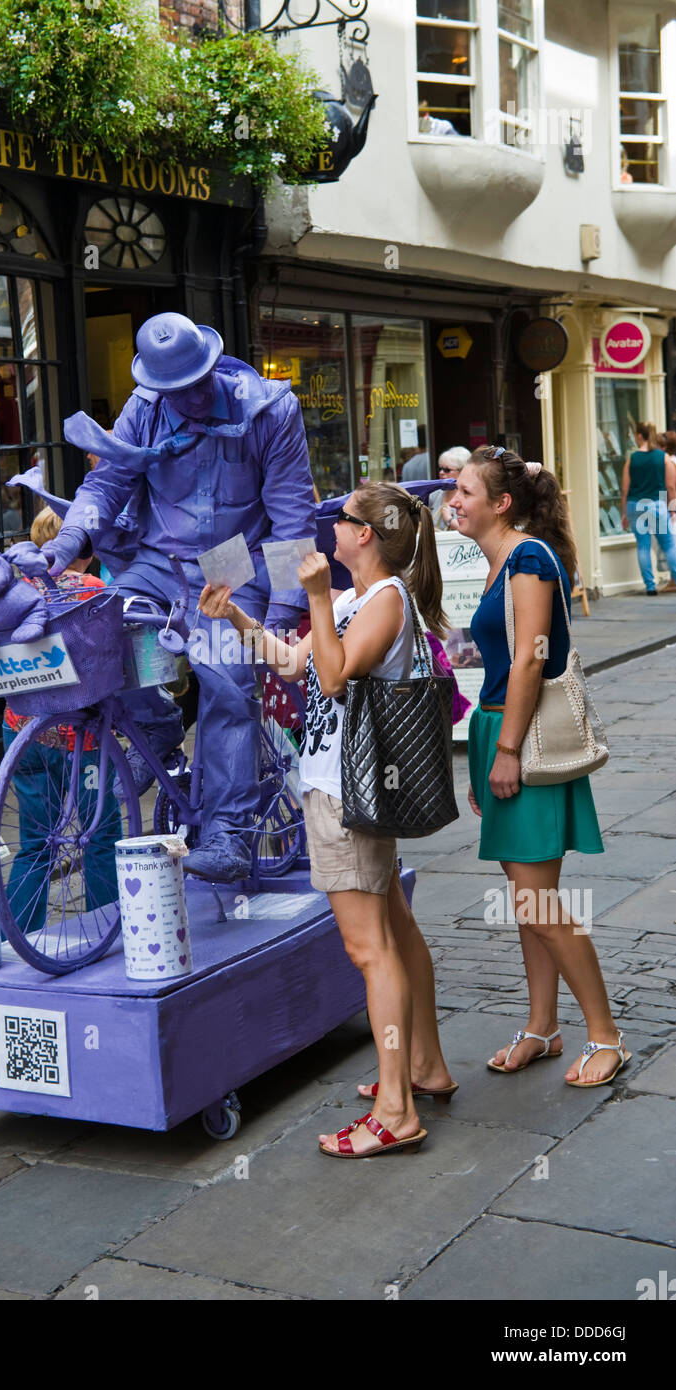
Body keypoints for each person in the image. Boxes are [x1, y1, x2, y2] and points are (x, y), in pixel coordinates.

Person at [199, 482, 456, 1157]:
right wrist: (236, 617)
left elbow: (336, 679)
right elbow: (294, 664)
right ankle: (424, 1067)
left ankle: (396, 1109)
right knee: (393, 931)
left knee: (369, 950)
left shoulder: (383, 599)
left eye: (338, 518)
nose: (326, 527)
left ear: (364, 533)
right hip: (337, 785)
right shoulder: (353, 599)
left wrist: (315, 595)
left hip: (347, 793)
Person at [40, 312, 316, 883]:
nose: (188, 399)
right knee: (96, 630)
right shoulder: (143, 409)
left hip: (231, 562)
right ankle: (157, 727)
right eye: (174, 390)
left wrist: (282, 616)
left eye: (197, 384)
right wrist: (66, 544)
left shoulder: (269, 411)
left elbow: (291, 515)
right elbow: (107, 483)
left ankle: (230, 833)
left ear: (213, 366)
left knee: (227, 677)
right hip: (157, 560)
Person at [452, 446, 629, 1086]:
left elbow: (530, 657)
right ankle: (542, 1027)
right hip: (499, 728)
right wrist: (488, 749)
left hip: (522, 736)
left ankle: (606, 1035)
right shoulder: (505, 557)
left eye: (465, 491)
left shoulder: (527, 557)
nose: (453, 500)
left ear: (501, 504)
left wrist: (505, 752)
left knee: (537, 901)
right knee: (530, 900)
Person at [1, 508, 120, 933]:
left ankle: (19, 934)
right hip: (80, 737)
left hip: (22, 729)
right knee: (101, 834)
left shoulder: (14, 590)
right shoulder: (92, 589)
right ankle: (105, 925)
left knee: (35, 843)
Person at [621, 422, 676, 595]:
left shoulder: (632, 459)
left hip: (636, 505)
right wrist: (672, 508)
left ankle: (650, 586)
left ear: (639, 436)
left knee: (643, 546)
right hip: (657, 504)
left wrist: (624, 513)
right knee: (668, 545)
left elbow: (625, 489)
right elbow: (671, 486)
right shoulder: (663, 457)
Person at [430, 446, 470, 529]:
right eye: (440, 469)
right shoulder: (435, 496)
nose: (441, 472)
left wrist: (449, 520)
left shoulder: (469, 496)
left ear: (462, 472)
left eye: (447, 470)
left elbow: (471, 528)